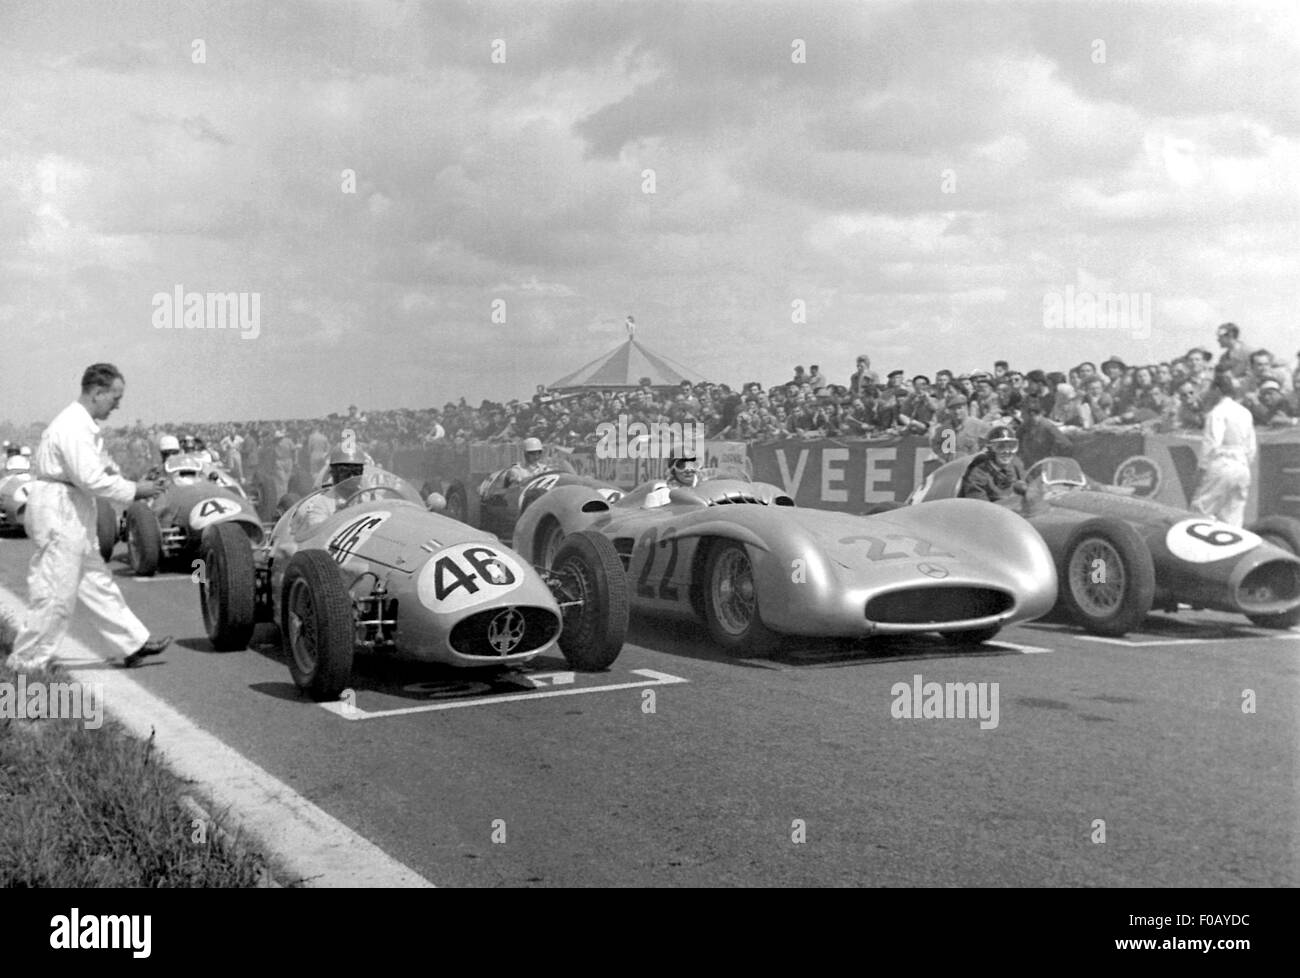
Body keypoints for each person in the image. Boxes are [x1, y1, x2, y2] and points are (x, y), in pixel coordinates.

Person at [6, 364, 170, 672]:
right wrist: (135, 490)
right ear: (97, 393)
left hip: (71, 505)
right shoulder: (73, 427)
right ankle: (27, 662)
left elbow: (102, 469)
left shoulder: (84, 426)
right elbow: (92, 480)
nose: (118, 405)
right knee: (56, 589)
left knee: (95, 580)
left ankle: (131, 644)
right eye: (114, 398)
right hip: (59, 507)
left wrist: (135, 480)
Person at [1191, 373, 1256, 527]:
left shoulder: (1217, 412)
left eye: (1211, 389)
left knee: (1200, 511)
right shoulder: (1244, 412)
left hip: (1223, 463)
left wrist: (1202, 469)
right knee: (1233, 518)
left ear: (1217, 390)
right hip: (1242, 466)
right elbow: (1251, 447)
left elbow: (1212, 443)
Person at [295, 445, 369, 533]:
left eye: (357, 471)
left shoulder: (369, 498)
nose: (352, 476)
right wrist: (336, 519)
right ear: (335, 473)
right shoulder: (322, 503)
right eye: (345, 471)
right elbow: (317, 534)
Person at [958, 425, 1027, 504]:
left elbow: (1032, 490)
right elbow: (983, 509)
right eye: (1000, 447)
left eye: (1012, 446)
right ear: (990, 449)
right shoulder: (977, 476)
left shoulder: (1016, 466)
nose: (1007, 451)